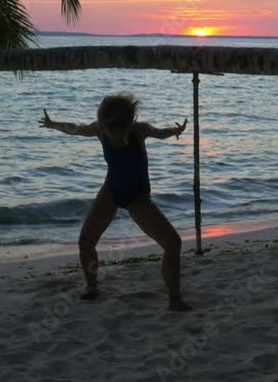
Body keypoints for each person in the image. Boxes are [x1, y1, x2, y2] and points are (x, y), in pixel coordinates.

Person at [40, 93, 192, 311]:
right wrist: (53, 124)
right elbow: (76, 129)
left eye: (120, 126)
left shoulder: (139, 131)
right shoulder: (100, 130)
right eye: (109, 126)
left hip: (138, 197)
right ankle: (91, 286)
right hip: (110, 192)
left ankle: (174, 300)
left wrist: (176, 131)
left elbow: (160, 133)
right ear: (103, 124)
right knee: (85, 241)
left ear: (131, 122)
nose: (114, 132)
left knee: (173, 243)